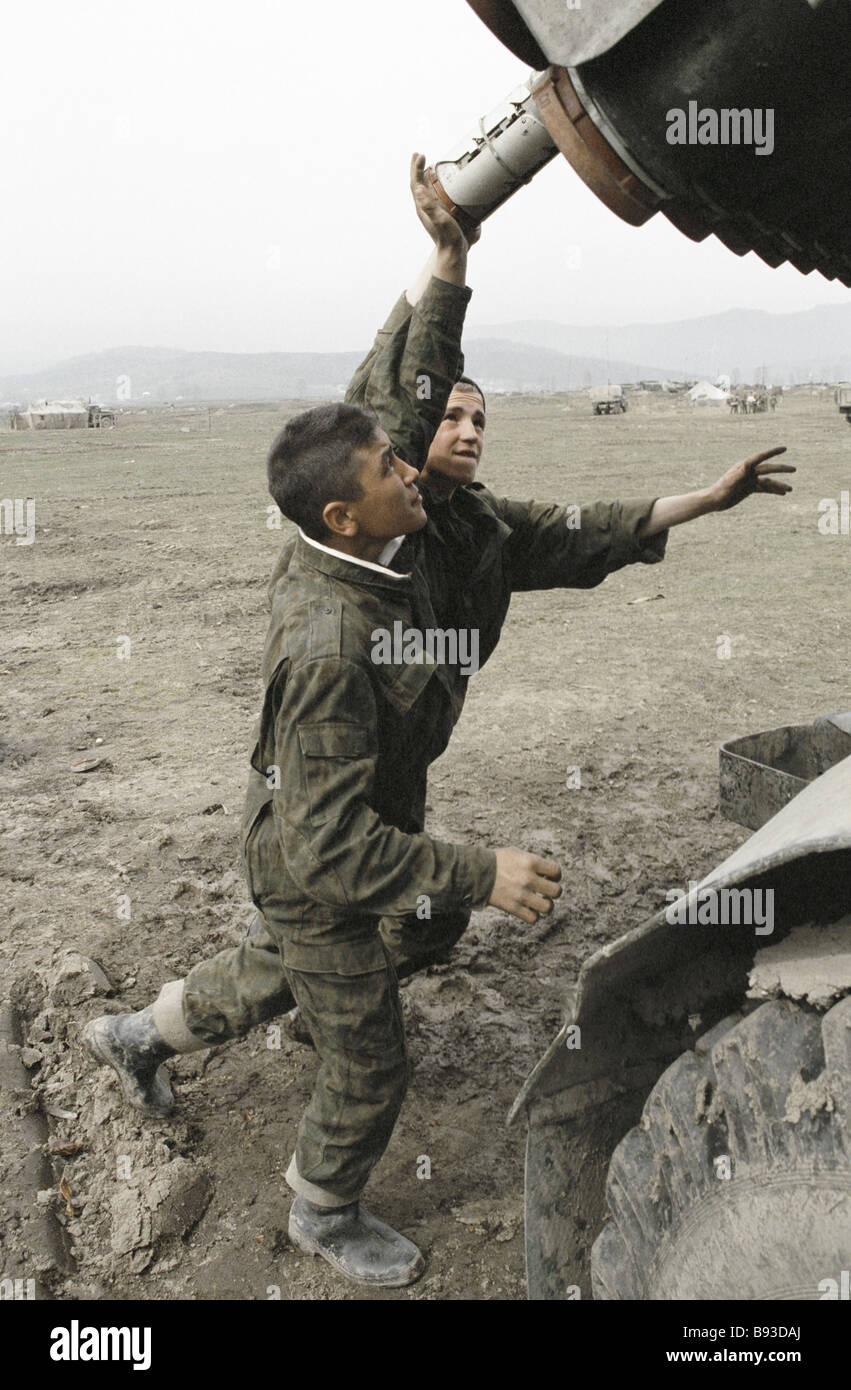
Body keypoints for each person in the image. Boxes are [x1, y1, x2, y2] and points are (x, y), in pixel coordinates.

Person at [83, 154, 795, 1287]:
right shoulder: (327, 640)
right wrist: (482, 869)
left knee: (327, 958)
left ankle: (138, 1035)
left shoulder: (431, 526)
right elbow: (324, 847)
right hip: (317, 852)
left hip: (364, 819)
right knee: (366, 1055)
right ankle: (321, 1209)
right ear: (345, 508)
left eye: (459, 422)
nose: (427, 448)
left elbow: (569, 522)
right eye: (400, 454)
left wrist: (452, 265)